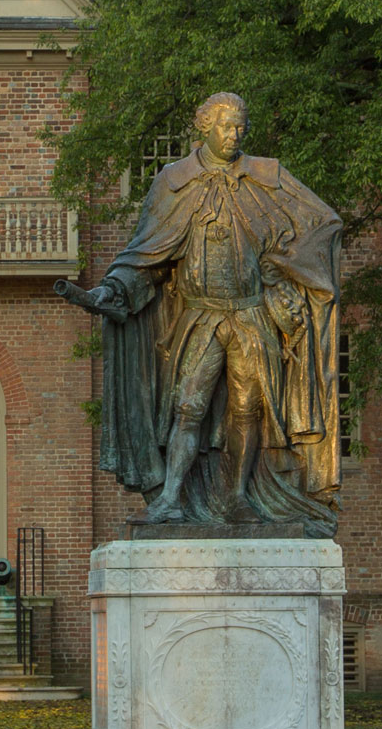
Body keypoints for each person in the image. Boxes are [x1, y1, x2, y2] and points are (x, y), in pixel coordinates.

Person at [57, 93, 343, 530]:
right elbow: (146, 256)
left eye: (241, 126)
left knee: (249, 411)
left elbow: (322, 225)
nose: (235, 135)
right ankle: (171, 497)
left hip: (250, 318)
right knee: (188, 406)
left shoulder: (266, 178)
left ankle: (236, 497)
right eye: (227, 126)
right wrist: (112, 290)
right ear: (205, 127)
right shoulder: (175, 182)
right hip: (199, 320)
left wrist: (279, 268)